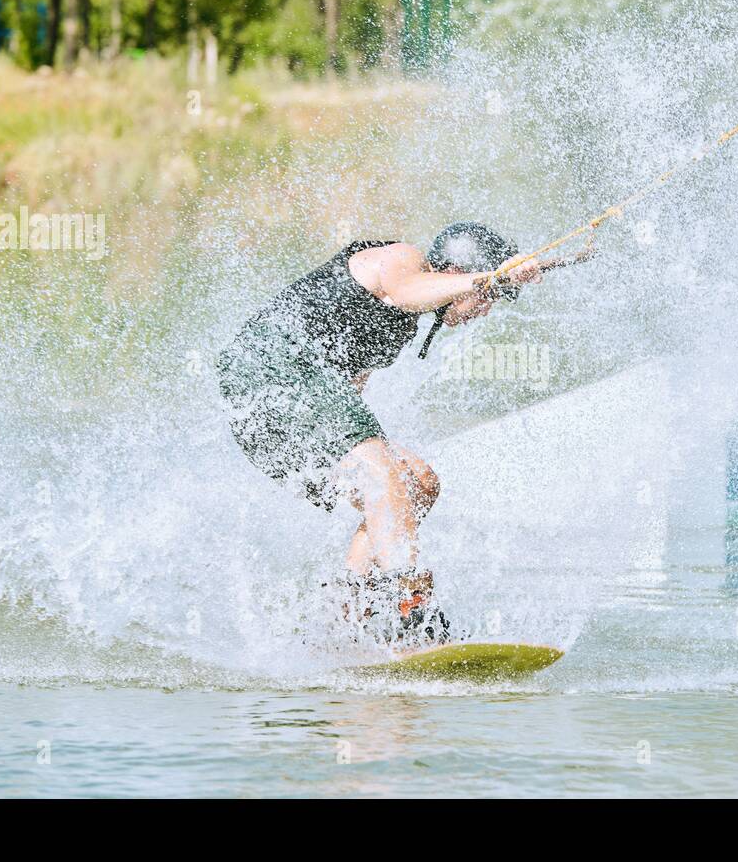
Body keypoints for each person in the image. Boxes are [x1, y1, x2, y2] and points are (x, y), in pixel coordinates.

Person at [217, 223, 542, 644]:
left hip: (282, 411)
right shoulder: (403, 258)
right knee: (381, 472)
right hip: (268, 368)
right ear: (455, 271)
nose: (487, 307)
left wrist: (335, 465)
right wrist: (490, 277)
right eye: (489, 296)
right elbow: (403, 291)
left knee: (417, 483)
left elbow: (347, 392)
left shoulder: (402, 328)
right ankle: (413, 604)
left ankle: (343, 610)